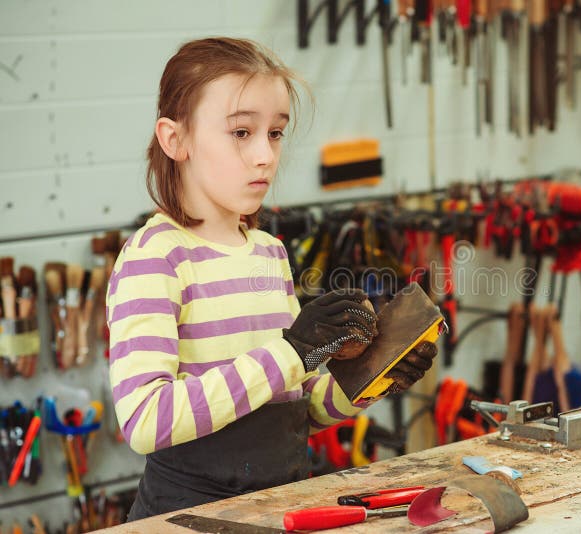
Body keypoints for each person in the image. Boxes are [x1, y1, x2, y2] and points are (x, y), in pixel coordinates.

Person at [106, 37, 437, 521]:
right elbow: (144, 419)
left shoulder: (268, 252)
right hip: (189, 517)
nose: (265, 155)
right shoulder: (155, 257)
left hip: (276, 507)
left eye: (276, 133)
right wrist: (292, 351)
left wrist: (371, 379)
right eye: (241, 133)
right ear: (175, 139)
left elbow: (293, 408)